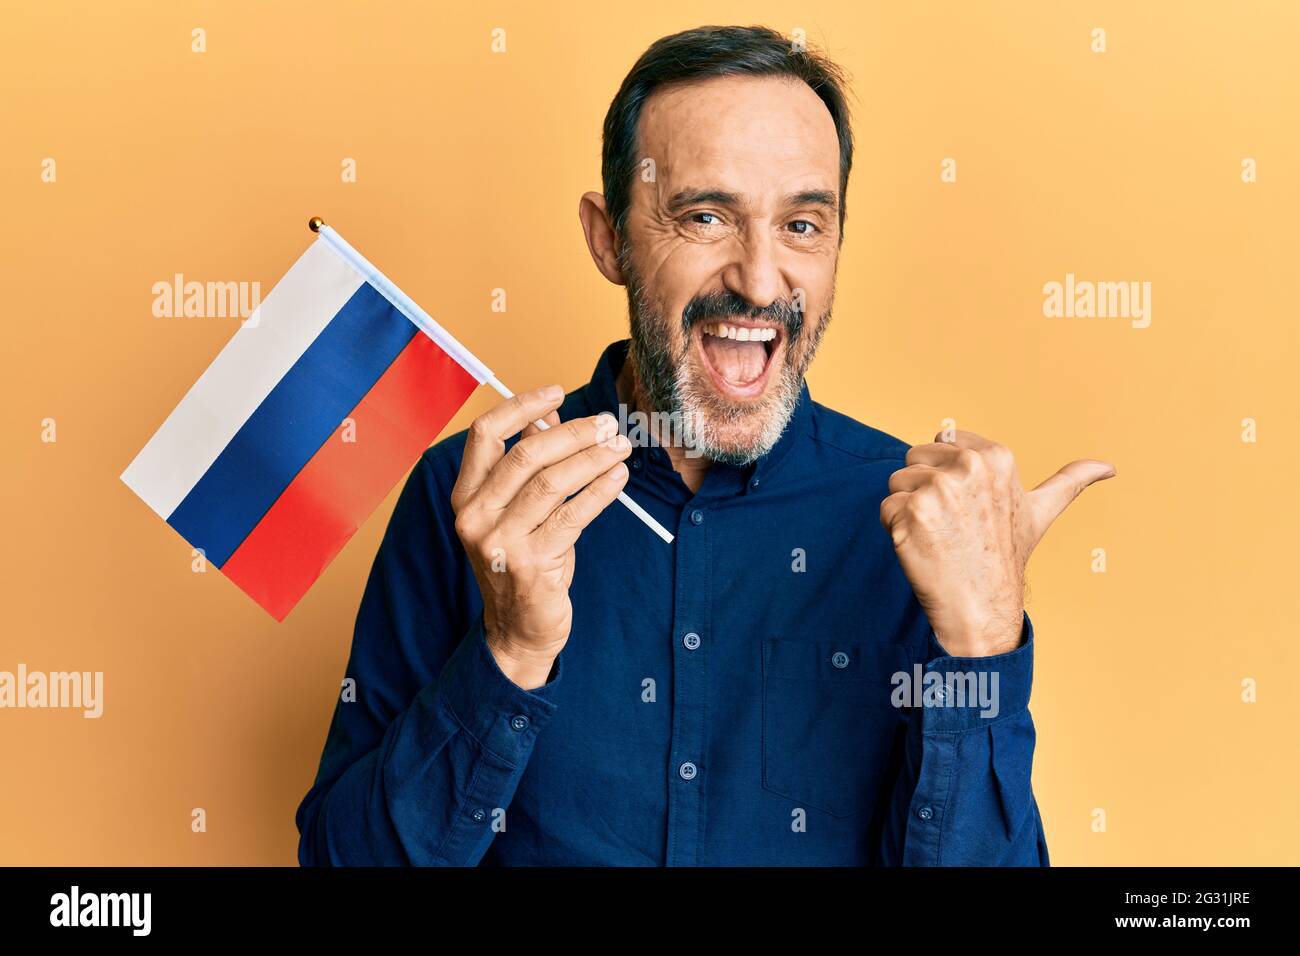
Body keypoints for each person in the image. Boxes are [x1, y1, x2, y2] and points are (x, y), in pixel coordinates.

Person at [296, 24, 1114, 866]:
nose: (760, 281)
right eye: (706, 215)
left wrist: (982, 647)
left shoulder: (916, 527)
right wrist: (508, 654)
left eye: (802, 224)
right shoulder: (473, 500)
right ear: (609, 237)